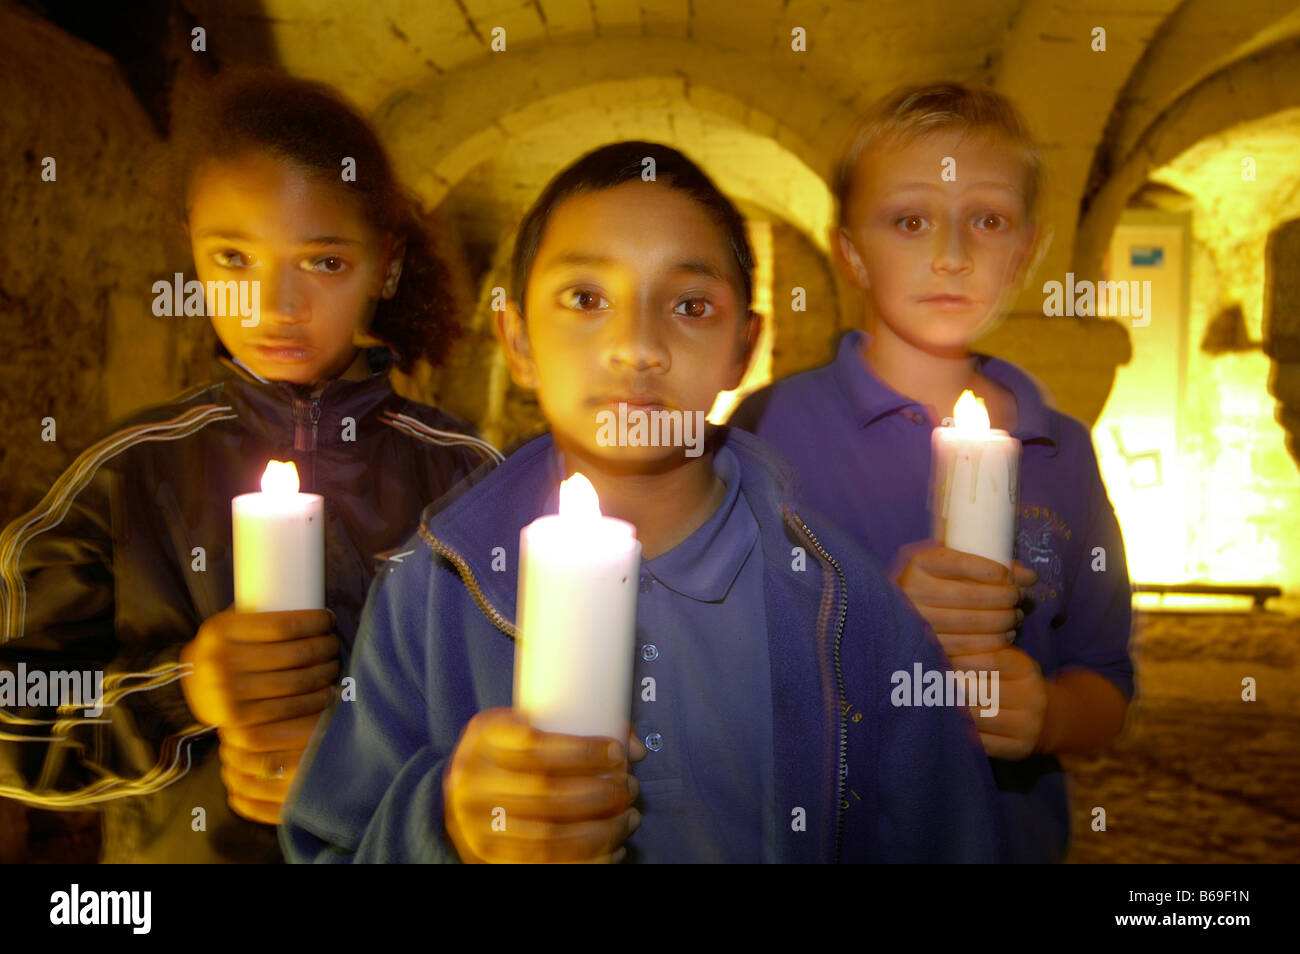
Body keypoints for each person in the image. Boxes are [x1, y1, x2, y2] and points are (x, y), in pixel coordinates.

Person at [281, 141, 1007, 863]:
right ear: (519, 340)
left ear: (741, 350)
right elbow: (327, 845)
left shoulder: (846, 603)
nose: (637, 346)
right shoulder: (432, 594)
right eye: (587, 299)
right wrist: (444, 831)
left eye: (690, 305)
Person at [0, 70, 501, 863]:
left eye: (324, 262)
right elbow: (13, 718)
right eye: (233, 257)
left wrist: (384, 772)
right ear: (191, 245)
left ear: (388, 265)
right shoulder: (123, 476)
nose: (275, 304)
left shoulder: (471, 480)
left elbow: (533, 717)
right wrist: (181, 690)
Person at [729, 82, 1134, 863]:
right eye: (910, 221)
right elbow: (720, 663)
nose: (952, 254)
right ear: (849, 250)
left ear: (1027, 252)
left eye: (987, 220)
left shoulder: (1062, 451)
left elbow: (1107, 681)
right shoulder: (766, 435)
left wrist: (1048, 715)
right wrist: (878, 623)